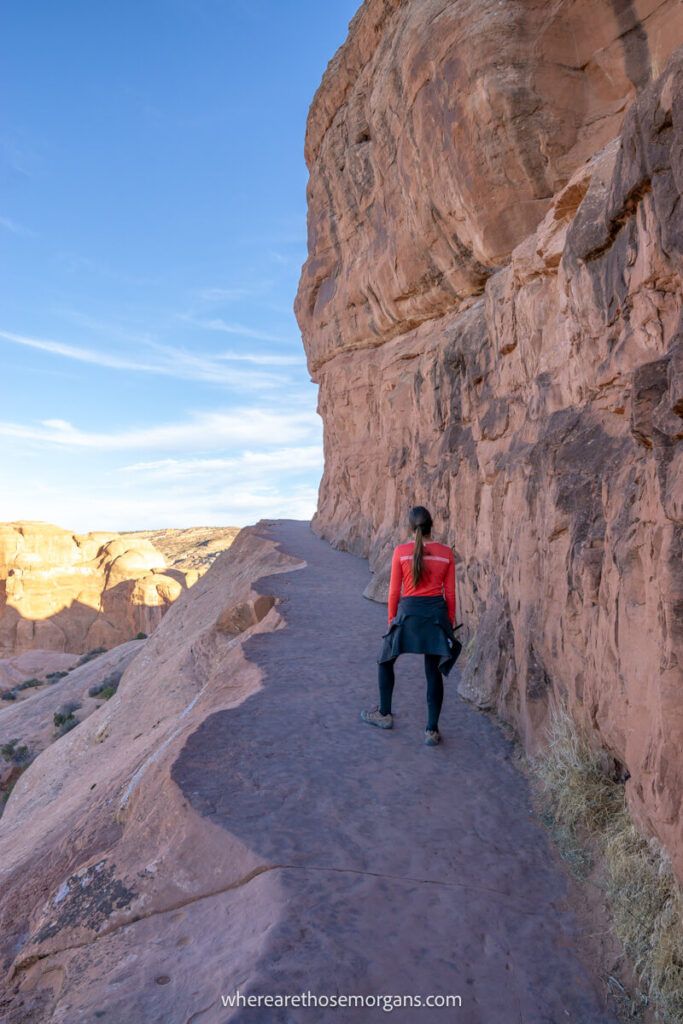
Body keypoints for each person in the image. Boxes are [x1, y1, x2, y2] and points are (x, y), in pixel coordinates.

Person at [360, 505, 461, 746]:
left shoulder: (401, 552)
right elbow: (451, 594)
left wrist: (391, 623)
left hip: (408, 614)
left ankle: (384, 714)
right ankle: (431, 731)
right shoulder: (446, 553)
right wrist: (449, 624)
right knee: (433, 672)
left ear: (410, 527)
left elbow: (394, 592)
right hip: (436, 615)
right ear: (431, 526)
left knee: (385, 660)